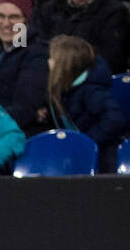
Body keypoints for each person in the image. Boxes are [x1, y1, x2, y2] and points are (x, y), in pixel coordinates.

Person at [43, 33, 124, 169]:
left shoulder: (91, 90)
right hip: (81, 154)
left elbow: (115, 119)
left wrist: (88, 140)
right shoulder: (65, 90)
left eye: (52, 58)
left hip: (103, 159)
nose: (48, 62)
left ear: (65, 63)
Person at [0, 0, 49, 133]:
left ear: (26, 21)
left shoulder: (36, 54)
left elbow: (25, 110)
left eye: (14, 17)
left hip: (18, 133)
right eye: (0, 16)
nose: (6, 23)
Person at [32, 0, 130, 74]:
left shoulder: (115, 13)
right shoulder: (47, 10)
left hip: (92, 80)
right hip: (48, 76)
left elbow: (111, 59)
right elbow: (36, 48)